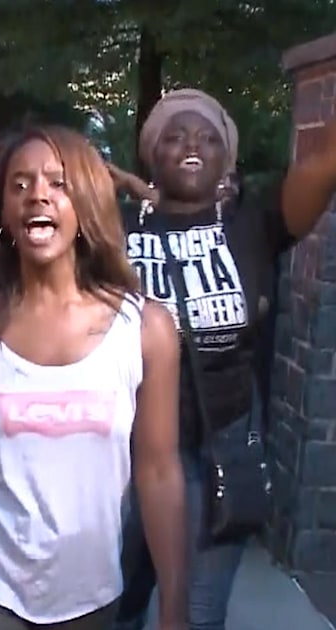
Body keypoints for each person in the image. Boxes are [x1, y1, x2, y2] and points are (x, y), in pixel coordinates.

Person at [0, 126, 188, 630]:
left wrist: (175, 607)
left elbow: (158, 472)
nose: (37, 194)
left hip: (89, 594)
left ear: (87, 202)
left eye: (58, 183)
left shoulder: (145, 329)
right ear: (2, 212)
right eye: (19, 185)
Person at [115, 88, 332, 630]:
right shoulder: (114, 230)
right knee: (114, 603)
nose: (193, 144)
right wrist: (121, 186)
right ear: (151, 154)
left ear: (226, 160)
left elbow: (320, 172)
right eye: (176, 135)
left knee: (196, 612)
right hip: (120, 449)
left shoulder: (252, 223)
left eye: (209, 137)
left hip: (221, 448)